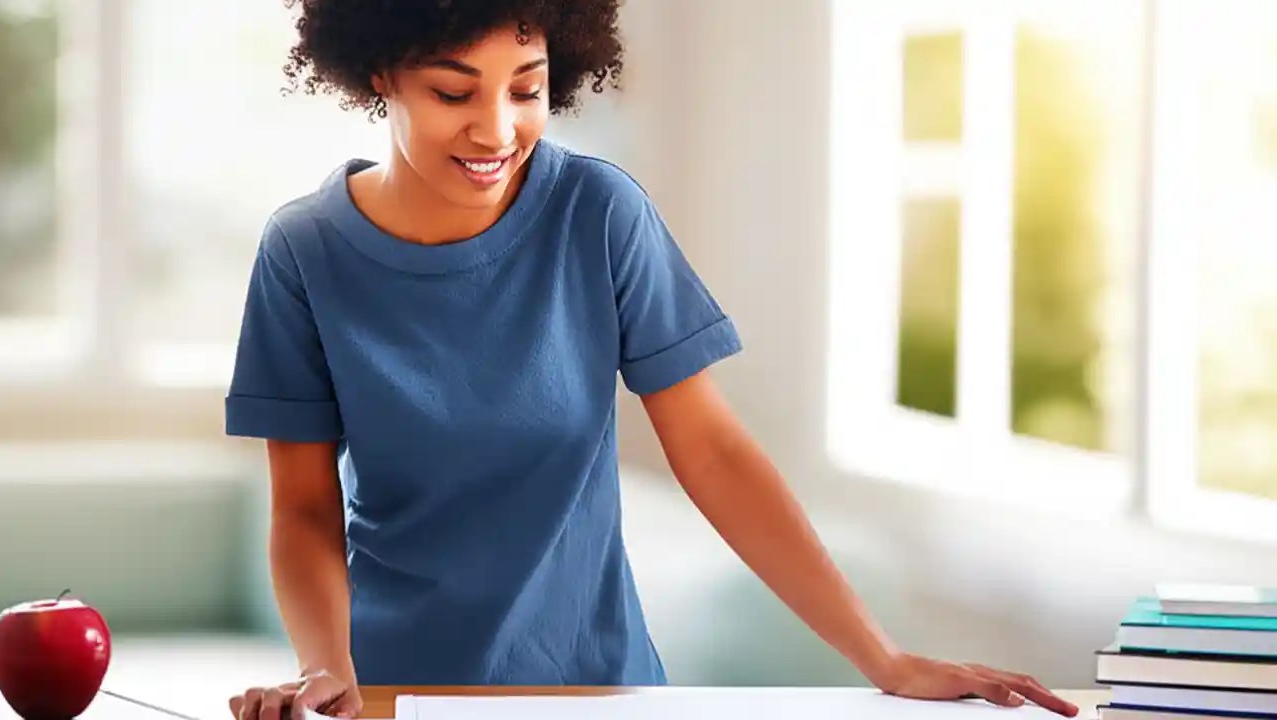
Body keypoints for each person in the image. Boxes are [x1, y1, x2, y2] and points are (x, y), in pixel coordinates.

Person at [224, 2, 1080, 719]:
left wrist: (885, 659)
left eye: (528, 89)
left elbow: (712, 452)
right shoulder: (305, 253)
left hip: (596, 690)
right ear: (380, 74)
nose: (497, 128)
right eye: (455, 91)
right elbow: (303, 509)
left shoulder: (597, 215)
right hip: (394, 697)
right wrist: (323, 670)